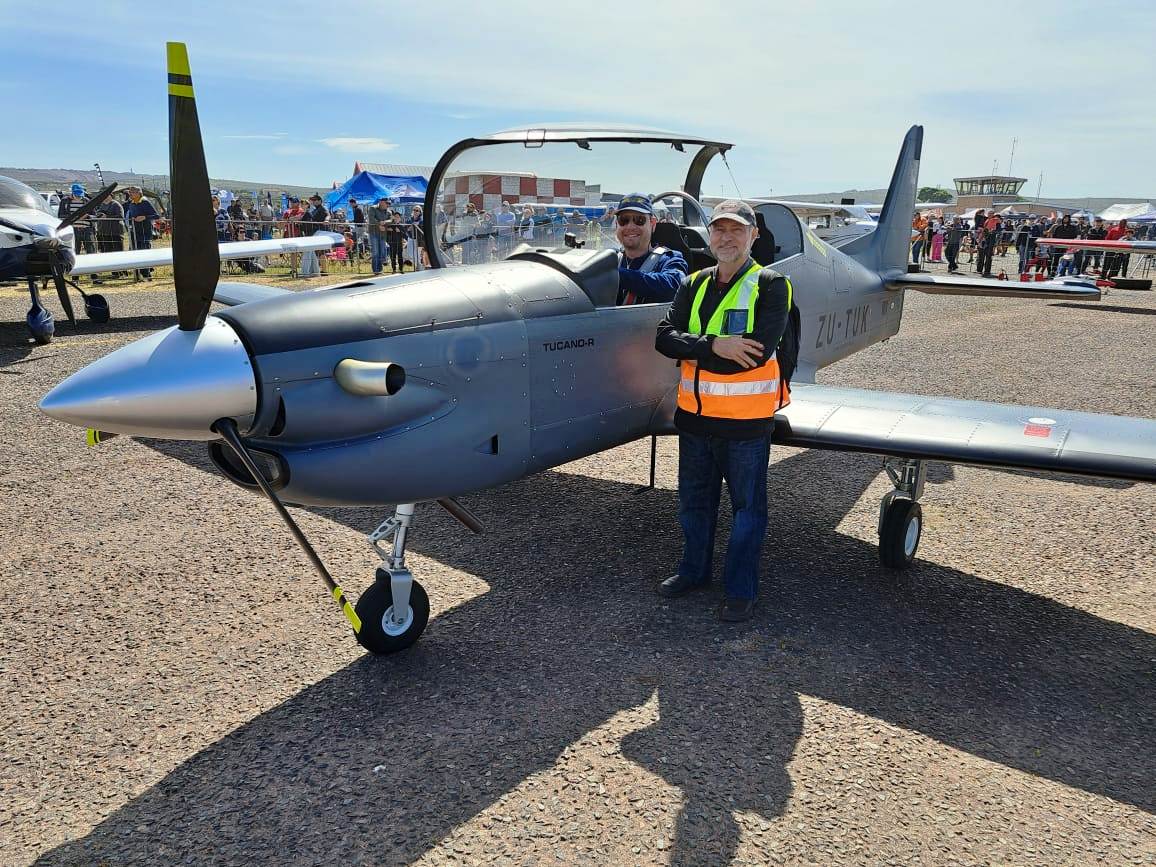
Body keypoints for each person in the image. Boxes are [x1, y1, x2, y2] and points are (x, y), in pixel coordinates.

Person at [655, 200, 791, 623]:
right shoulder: (692, 283)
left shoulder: (771, 285)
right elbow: (663, 338)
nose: (726, 237)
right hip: (695, 421)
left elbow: (754, 355)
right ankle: (693, 572)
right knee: (694, 504)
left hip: (745, 424)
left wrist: (693, 349)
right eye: (719, 229)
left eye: (737, 230)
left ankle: (740, 589)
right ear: (709, 236)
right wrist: (717, 345)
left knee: (747, 510)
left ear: (753, 236)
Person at [613, 193, 688, 305]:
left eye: (639, 220)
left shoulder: (670, 259)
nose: (630, 226)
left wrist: (614, 275)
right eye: (624, 220)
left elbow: (675, 286)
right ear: (617, 224)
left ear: (652, 224)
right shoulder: (610, 259)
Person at [125, 187, 158, 280]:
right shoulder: (131, 204)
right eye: (130, 192)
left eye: (132, 192)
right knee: (136, 253)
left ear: (139, 193)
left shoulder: (145, 202)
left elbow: (156, 215)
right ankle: (138, 275)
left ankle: (147, 275)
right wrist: (131, 220)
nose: (130, 194)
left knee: (144, 253)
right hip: (134, 232)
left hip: (145, 232)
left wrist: (144, 217)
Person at [367, 196, 391, 275]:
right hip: (373, 233)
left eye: (388, 203)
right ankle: (376, 270)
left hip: (383, 234)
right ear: (381, 202)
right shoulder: (372, 208)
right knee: (375, 252)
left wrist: (385, 222)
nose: (387, 204)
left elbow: (391, 219)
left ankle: (380, 270)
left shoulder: (388, 211)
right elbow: (371, 219)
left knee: (382, 251)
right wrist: (379, 224)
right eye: (386, 203)